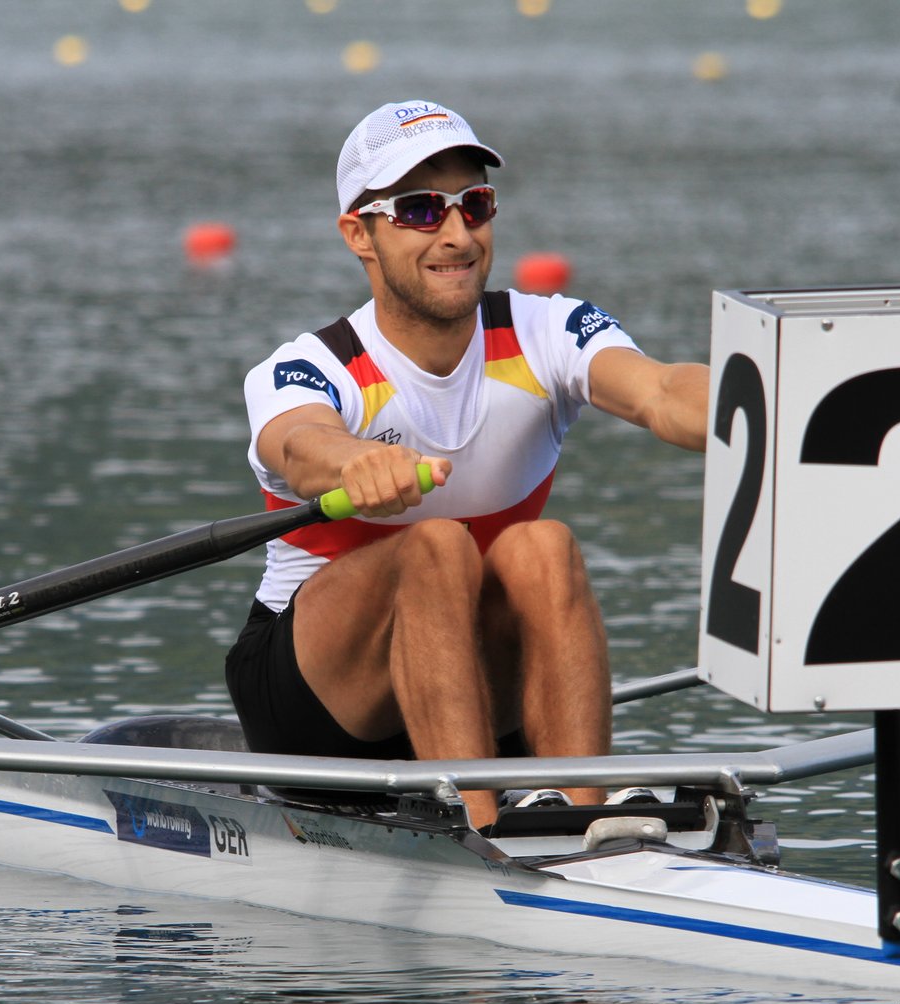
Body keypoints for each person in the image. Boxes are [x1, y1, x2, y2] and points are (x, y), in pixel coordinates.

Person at [224, 100, 709, 831]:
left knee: (544, 546)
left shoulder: (547, 329)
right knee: (437, 544)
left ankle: (585, 819)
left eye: (474, 205)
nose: (456, 235)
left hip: (475, 687)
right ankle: (484, 828)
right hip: (320, 711)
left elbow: (663, 391)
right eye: (420, 210)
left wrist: (772, 404)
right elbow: (299, 444)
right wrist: (356, 461)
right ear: (360, 233)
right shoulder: (313, 364)